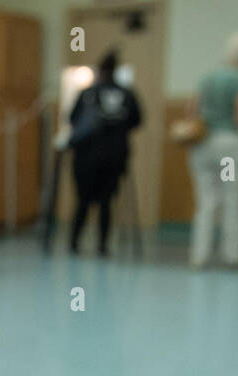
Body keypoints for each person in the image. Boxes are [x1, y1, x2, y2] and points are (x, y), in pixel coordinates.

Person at [187, 32, 238, 268]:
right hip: (228, 145)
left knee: (205, 201)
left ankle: (199, 255)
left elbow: (192, 110)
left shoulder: (207, 77)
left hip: (203, 145)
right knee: (231, 198)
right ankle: (232, 255)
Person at [68, 51, 142, 256]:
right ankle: (102, 245)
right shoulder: (126, 94)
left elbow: (73, 120)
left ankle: (74, 243)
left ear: (99, 71)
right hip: (115, 155)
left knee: (82, 201)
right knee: (106, 202)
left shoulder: (88, 93)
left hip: (87, 156)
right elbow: (137, 121)